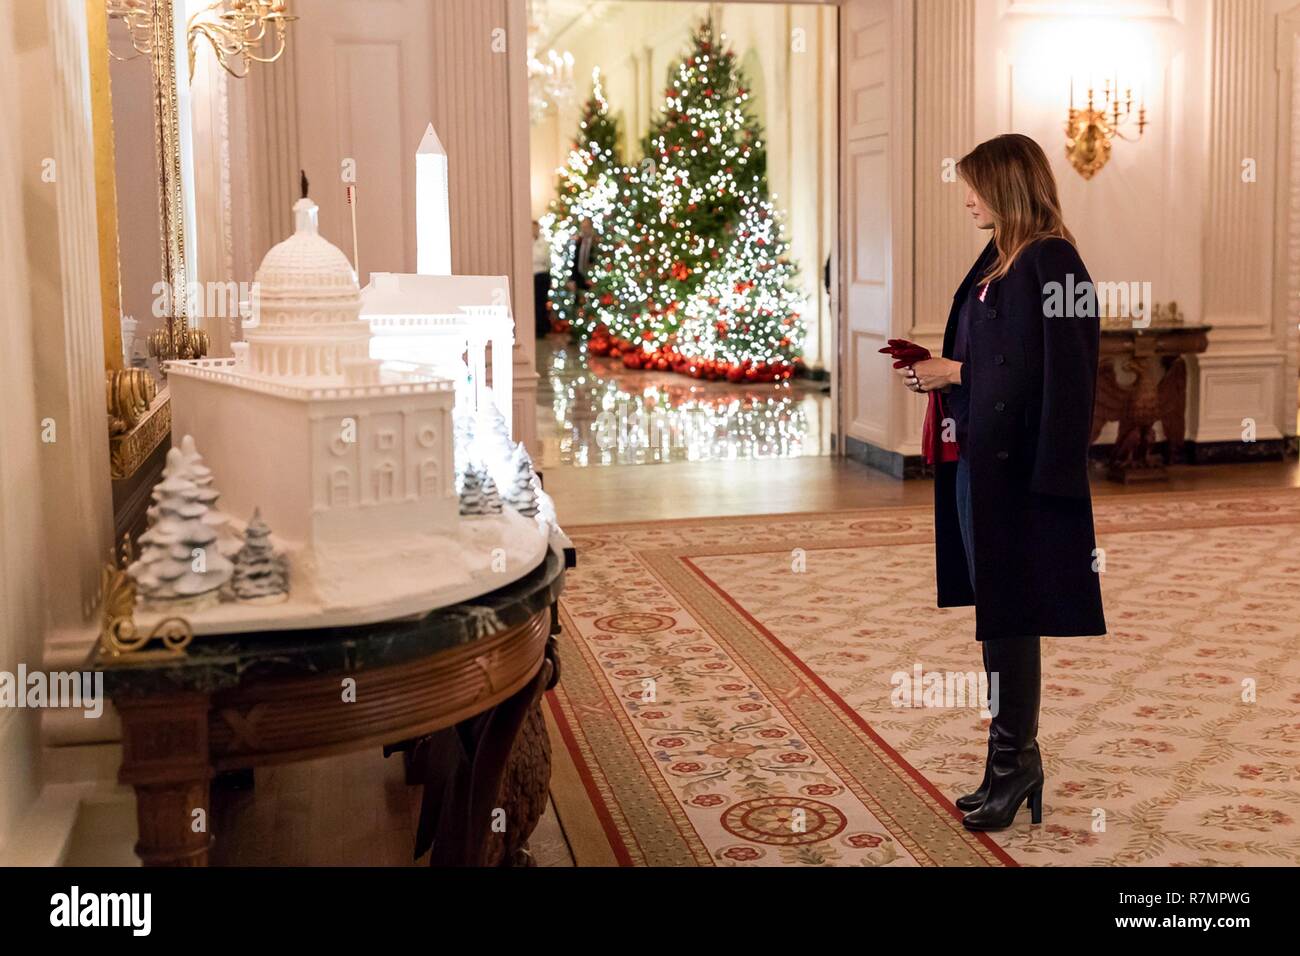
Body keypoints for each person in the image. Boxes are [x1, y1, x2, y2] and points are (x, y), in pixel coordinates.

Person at [893, 133, 1106, 831]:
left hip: (1024, 474)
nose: (966, 198)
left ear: (1008, 186)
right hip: (981, 462)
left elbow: (1064, 376)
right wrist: (943, 368)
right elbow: (998, 355)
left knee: (1013, 615)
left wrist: (956, 374)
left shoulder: (1055, 261)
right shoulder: (999, 260)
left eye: (976, 186)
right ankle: (1010, 763)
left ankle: (1015, 765)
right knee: (998, 618)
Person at [531, 220, 550, 337]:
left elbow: (543, 258)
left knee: (540, 303)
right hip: (530, 275)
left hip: (541, 274)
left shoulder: (543, 243)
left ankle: (542, 328)